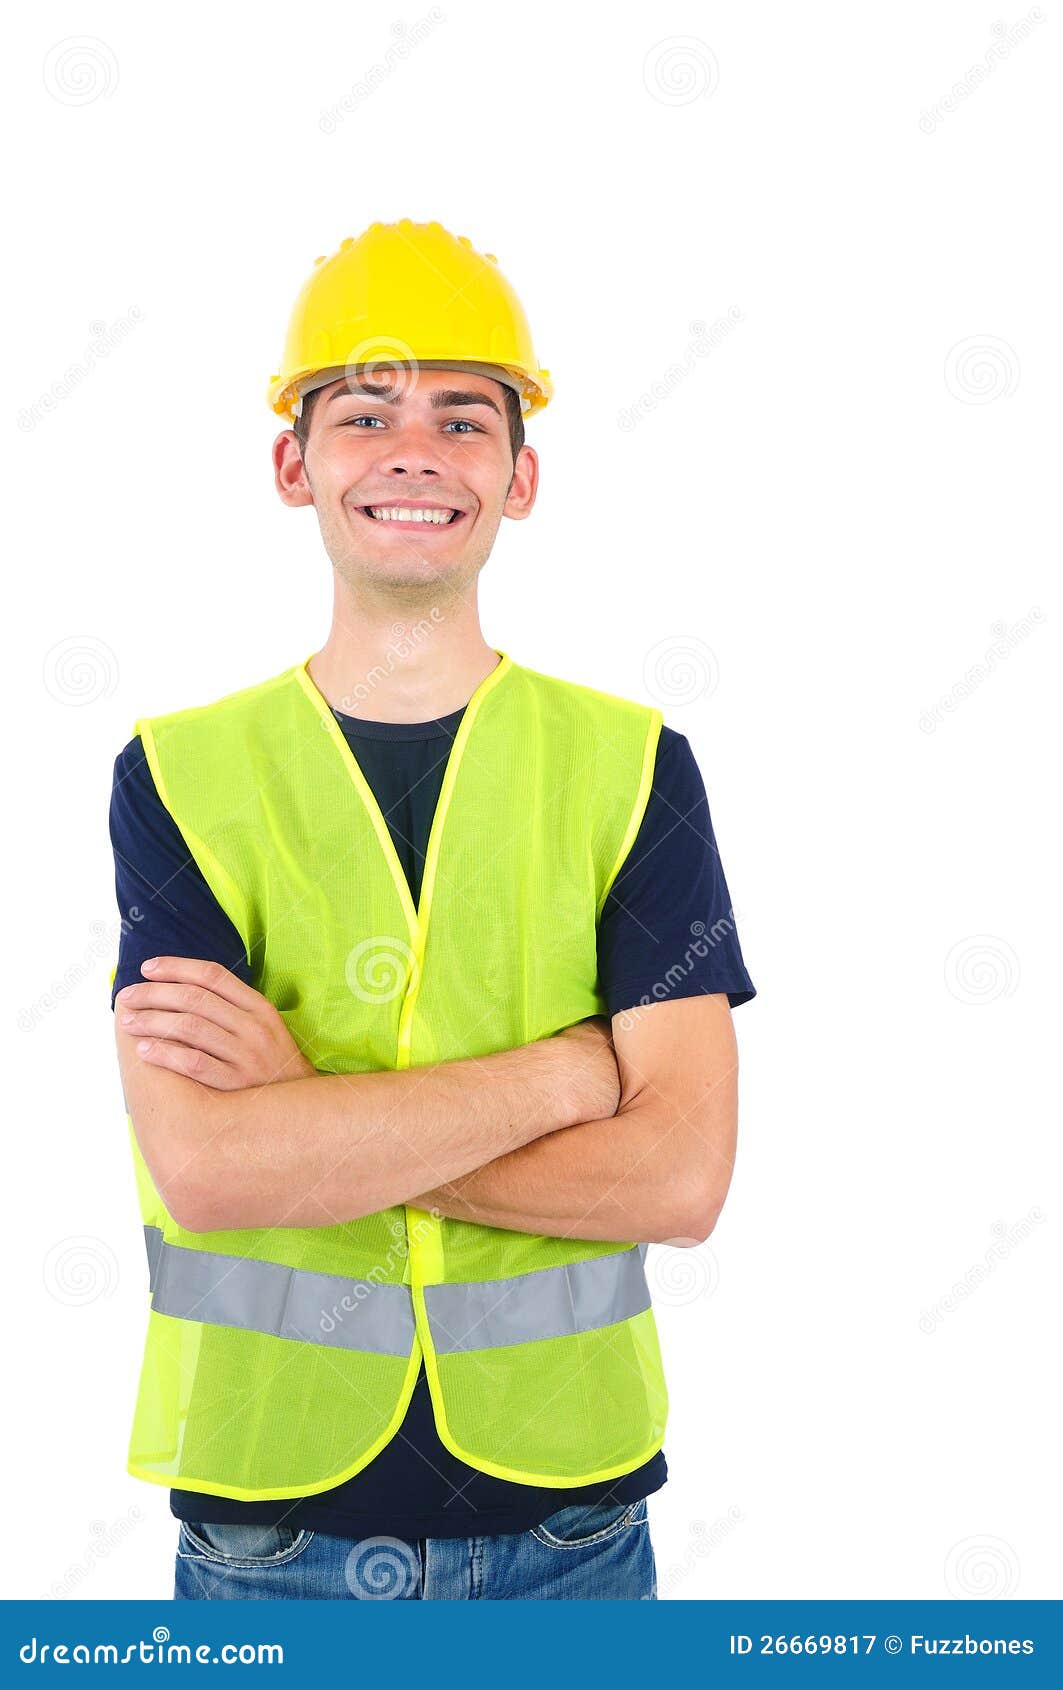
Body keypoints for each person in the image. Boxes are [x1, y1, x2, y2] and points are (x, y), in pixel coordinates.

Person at [109, 219, 756, 1601]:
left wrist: (318, 1124)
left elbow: (682, 1179)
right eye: (365, 412)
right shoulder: (179, 772)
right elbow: (214, 1172)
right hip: (263, 1529)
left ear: (521, 478)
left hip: (567, 1528)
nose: (416, 450)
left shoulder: (634, 765)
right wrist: (567, 1073)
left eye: (465, 418)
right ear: (295, 464)